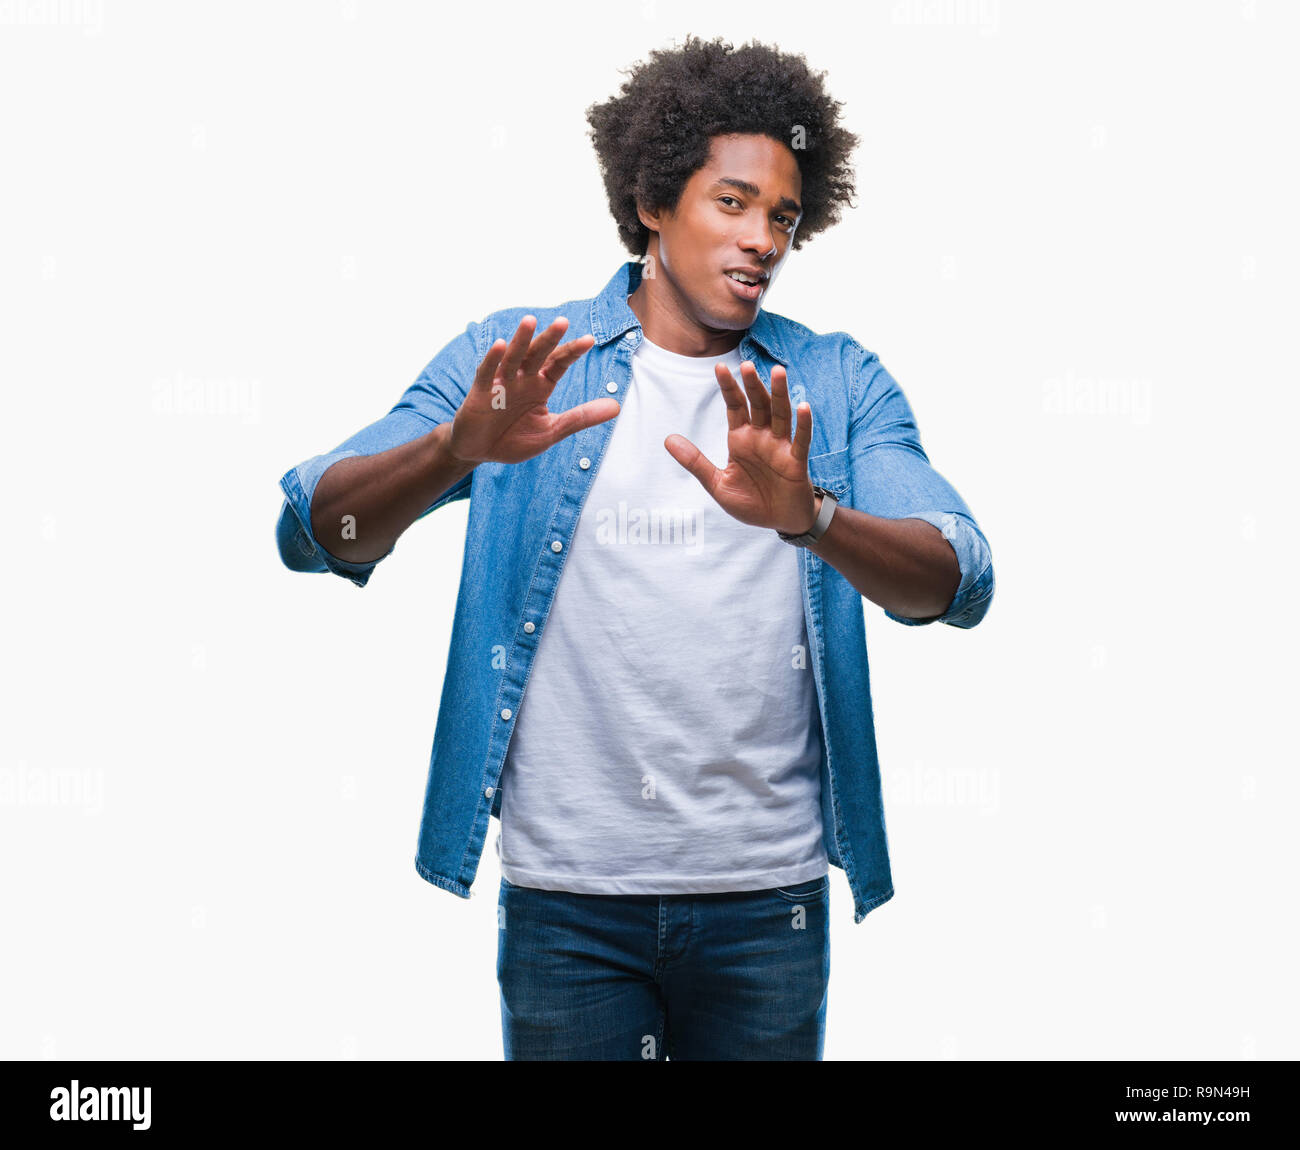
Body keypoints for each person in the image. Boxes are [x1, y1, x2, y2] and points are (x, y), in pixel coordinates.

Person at [275, 35, 995, 1060]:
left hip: (768, 906)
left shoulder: (833, 384)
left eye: (782, 216)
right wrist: (453, 449)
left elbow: (956, 581)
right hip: (569, 905)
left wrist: (813, 518)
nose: (761, 241)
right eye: (731, 202)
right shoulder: (522, 358)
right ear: (654, 202)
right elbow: (314, 531)